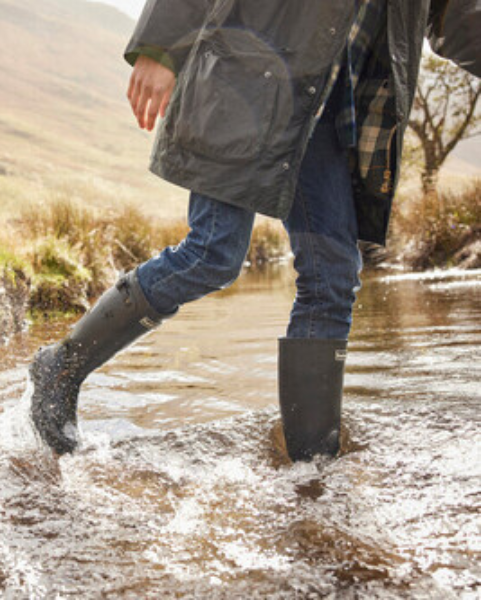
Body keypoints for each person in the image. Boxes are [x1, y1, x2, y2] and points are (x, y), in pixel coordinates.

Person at [30, 0, 480, 460]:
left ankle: (312, 467)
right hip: (249, 76)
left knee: (333, 280)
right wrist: (159, 44)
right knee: (213, 254)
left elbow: (453, 16)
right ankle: (60, 368)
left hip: (331, 106)